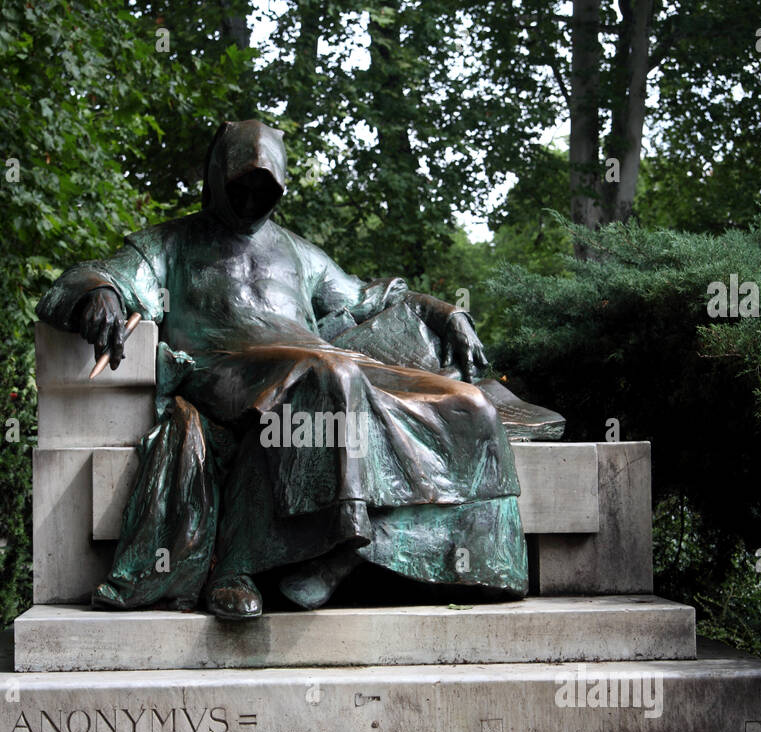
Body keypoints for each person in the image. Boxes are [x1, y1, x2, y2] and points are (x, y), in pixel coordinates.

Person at [36, 119, 527, 619]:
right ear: (216, 179)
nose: (250, 201)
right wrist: (97, 294)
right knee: (329, 373)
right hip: (223, 368)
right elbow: (88, 277)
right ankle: (339, 540)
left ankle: (467, 565)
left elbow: (368, 298)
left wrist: (447, 313)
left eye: (264, 190)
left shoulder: (298, 252)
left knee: (471, 404)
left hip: (320, 364)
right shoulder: (170, 243)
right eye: (240, 187)